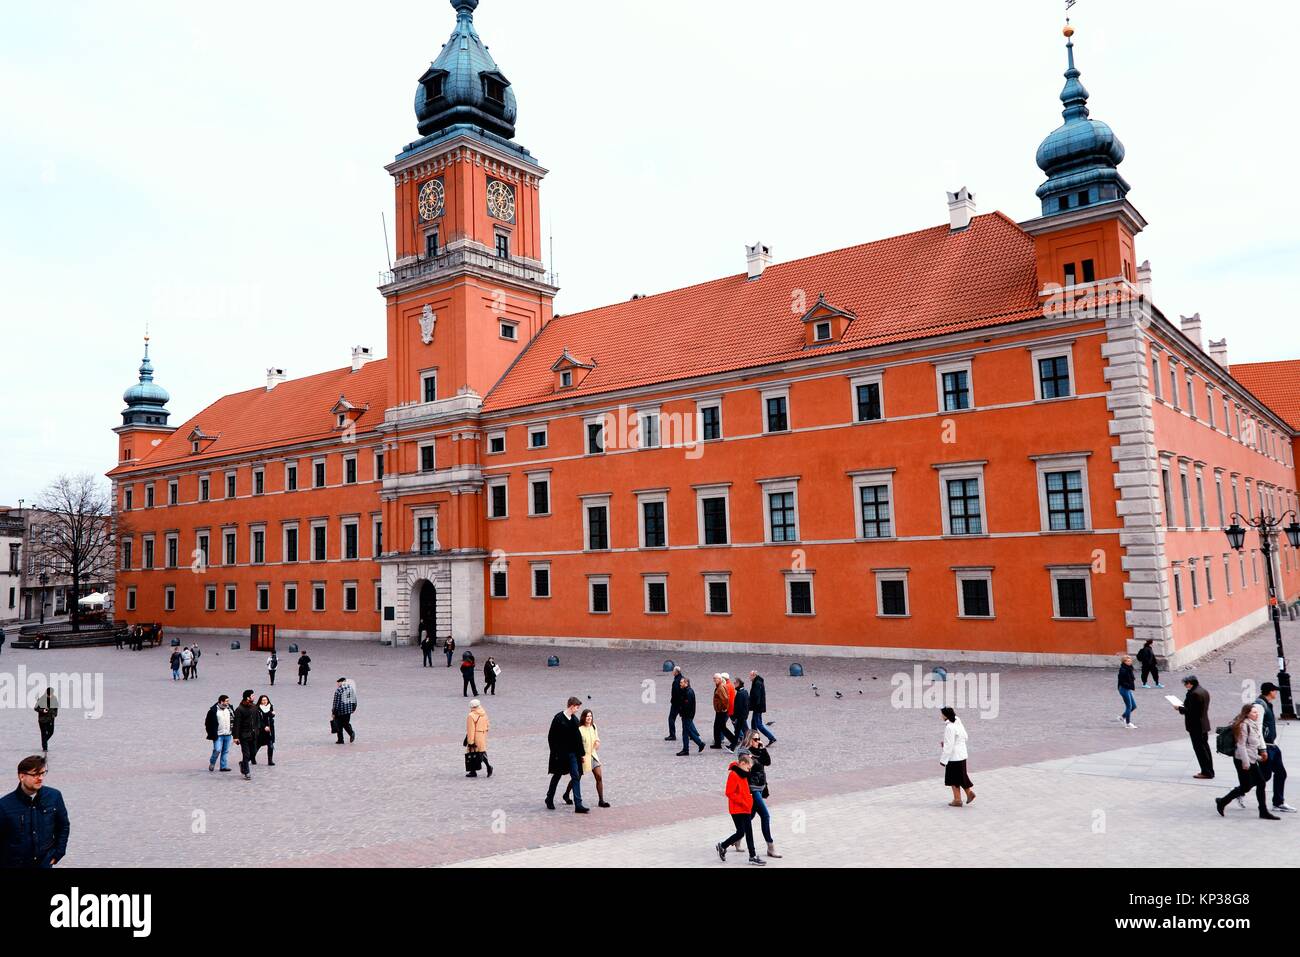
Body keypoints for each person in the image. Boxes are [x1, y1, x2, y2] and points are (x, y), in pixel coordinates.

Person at [0, 755, 70, 867]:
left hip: (44, 864)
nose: (40, 778)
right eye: (35, 774)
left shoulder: (54, 796)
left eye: (42, 773)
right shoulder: (4, 805)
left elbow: (63, 826)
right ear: (22, 776)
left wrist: (58, 853)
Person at [1215, 703, 1279, 820]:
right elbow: (1241, 745)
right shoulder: (1244, 726)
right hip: (1242, 760)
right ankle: (1223, 801)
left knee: (1254, 784)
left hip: (1251, 759)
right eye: (1254, 712)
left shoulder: (1252, 724)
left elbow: (1252, 747)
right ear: (1247, 714)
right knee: (1250, 786)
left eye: (1256, 712)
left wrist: (1259, 756)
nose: (1257, 714)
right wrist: (1246, 763)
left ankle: (1262, 811)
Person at [727, 731, 780, 858]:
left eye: (759, 739)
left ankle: (738, 837)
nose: (758, 741)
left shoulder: (758, 750)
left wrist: (762, 749)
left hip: (761, 786)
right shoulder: (744, 752)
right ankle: (770, 847)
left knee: (750, 816)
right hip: (752, 789)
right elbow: (752, 766)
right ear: (750, 739)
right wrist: (755, 755)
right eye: (756, 739)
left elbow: (767, 762)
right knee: (765, 815)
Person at [715, 754, 764, 866]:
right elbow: (729, 792)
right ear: (742, 764)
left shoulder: (743, 774)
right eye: (748, 767)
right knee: (747, 832)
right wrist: (744, 801)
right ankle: (752, 856)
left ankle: (722, 846)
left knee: (741, 832)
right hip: (738, 809)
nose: (749, 770)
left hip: (744, 807)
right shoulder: (734, 775)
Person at [1255, 682, 1295, 812]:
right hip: (1266, 746)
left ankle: (1278, 802)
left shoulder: (1267, 704)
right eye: (1274, 691)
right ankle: (1239, 790)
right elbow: (1257, 729)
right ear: (1270, 692)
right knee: (1264, 776)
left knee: (1280, 773)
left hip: (1272, 746)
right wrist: (1262, 748)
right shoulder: (1260, 705)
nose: (1276, 693)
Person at [545, 697, 588, 813]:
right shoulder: (558, 718)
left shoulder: (574, 720)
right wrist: (555, 753)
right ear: (572, 706)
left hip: (573, 754)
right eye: (577, 707)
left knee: (576, 775)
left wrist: (582, 754)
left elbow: (578, 739)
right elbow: (551, 737)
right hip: (560, 754)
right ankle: (549, 798)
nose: (578, 710)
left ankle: (578, 804)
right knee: (557, 775)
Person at [565, 709, 609, 808]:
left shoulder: (594, 726)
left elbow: (596, 737)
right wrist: (581, 756)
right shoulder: (580, 729)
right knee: (577, 777)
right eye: (587, 716)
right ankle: (566, 794)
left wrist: (597, 742)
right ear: (583, 717)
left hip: (593, 755)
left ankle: (601, 800)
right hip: (583, 757)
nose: (589, 718)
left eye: (590, 716)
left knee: (599, 776)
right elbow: (577, 745)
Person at [1175, 675, 1214, 778]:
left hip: (1196, 726)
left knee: (1200, 750)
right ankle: (1209, 770)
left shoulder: (1194, 694)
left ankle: (1206, 772)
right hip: (1203, 724)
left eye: (1186, 684)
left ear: (1190, 683)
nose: (1185, 686)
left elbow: (1190, 711)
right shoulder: (1203, 691)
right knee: (1205, 748)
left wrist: (1179, 708)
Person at [940, 706, 976, 806]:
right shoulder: (958, 722)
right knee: (961, 777)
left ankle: (958, 799)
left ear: (945, 715)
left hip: (953, 757)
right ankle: (968, 794)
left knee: (953, 779)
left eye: (942, 714)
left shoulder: (949, 727)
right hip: (962, 755)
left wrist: (943, 760)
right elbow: (966, 737)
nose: (941, 716)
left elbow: (949, 746)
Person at [233, 690, 259, 780]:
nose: (254, 697)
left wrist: (257, 730)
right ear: (248, 697)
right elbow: (236, 724)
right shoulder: (240, 709)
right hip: (244, 735)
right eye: (252, 695)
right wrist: (236, 737)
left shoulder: (254, 707)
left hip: (253, 734)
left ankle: (243, 764)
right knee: (246, 754)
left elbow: (257, 720)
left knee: (253, 753)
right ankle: (246, 772)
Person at [676, 677, 706, 755]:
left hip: (687, 716)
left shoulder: (688, 692)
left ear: (686, 683)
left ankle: (688, 749)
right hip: (686, 715)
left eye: (681, 682)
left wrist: (682, 712)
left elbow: (687, 706)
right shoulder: (685, 691)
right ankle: (698, 744)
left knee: (686, 732)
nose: (680, 684)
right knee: (687, 732)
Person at [206, 695, 234, 772]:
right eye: (226, 701)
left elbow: (234, 720)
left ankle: (223, 766)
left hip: (228, 733)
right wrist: (211, 733)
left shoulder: (230, 709)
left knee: (225, 751)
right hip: (218, 735)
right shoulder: (214, 711)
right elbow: (208, 723)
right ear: (221, 701)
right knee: (217, 749)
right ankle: (212, 762)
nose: (228, 702)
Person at [465, 699, 493, 778]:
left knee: (474, 753)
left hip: (476, 735)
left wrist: (470, 741)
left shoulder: (471, 716)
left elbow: (471, 729)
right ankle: (473, 770)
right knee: (481, 751)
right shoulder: (483, 713)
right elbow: (487, 724)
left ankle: (487, 767)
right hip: (483, 734)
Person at [748, 670, 777, 745]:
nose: (749, 677)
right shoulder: (757, 682)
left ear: (754, 675)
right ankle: (755, 740)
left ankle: (771, 737)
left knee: (758, 724)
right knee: (754, 723)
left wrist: (752, 706)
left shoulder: (757, 683)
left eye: (750, 675)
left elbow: (756, 696)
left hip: (757, 707)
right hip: (758, 707)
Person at [710, 674, 736, 750]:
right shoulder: (720, 686)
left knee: (721, 727)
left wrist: (723, 708)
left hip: (721, 711)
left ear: (720, 679)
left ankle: (733, 740)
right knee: (719, 727)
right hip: (719, 710)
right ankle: (718, 743)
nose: (714, 680)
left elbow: (725, 699)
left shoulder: (721, 687)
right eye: (713, 678)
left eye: (715, 679)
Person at [253, 694, 276, 767]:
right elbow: (258, 720)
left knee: (270, 745)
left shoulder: (270, 706)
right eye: (263, 700)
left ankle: (270, 760)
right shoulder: (257, 708)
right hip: (261, 730)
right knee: (257, 745)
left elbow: (270, 716)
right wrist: (264, 727)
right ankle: (252, 757)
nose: (265, 701)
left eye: (266, 700)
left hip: (270, 729)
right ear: (260, 701)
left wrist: (273, 714)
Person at [332, 677, 357, 744]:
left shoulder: (339, 690)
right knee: (345, 723)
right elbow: (354, 699)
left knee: (339, 725)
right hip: (348, 711)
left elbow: (336, 703)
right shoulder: (350, 688)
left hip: (340, 711)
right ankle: (351, 733)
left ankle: (340, 740)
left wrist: (334, 712)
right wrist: (354, 707)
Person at [34, 687, 58, 753]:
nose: (50, 696)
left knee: (51, 732)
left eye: (51, 694)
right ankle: (45, 748)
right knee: (44, 733)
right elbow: (36, 708)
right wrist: (43, 710)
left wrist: (54, 714)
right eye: (49, 694)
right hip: (42, 720)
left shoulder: (54, 699)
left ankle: (44, 742)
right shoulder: (41, 699)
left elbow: (56, 708)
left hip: (51, 719)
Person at [1116, 655, 1137, 729]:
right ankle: (1128, 723)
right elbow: (1121, 681)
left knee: (1134, 706)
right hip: (1124, 689)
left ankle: (1122, 717)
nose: (1129, 662)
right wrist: (1129, 685)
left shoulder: (1129, 668)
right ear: (1124, 662)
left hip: (1128, 689)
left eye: (1130, 661)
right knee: (1129, 706)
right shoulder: (1123, 670)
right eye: (1128, 661)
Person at [665, 666, 684, 741]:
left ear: (676, 672)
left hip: (676, 704)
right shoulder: (683, 678)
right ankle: (692, 734)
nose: (672, 672)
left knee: (671, 718)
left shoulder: (676, 681)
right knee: (686, 720)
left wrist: (674, 702)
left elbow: (676, 694)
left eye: (673, 671)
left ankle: (672, 735)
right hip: (682, 703)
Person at [731, 677, 750, 745]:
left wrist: (735, 717)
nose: (734, 684)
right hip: (743, 716)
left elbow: (738, 707)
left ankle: (752, 745)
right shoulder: (745, 691)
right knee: (738, 731)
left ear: (738, 684)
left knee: (745, 732)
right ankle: (732, 746)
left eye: (735, 683)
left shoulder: (740, 693)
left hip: (741, 717)